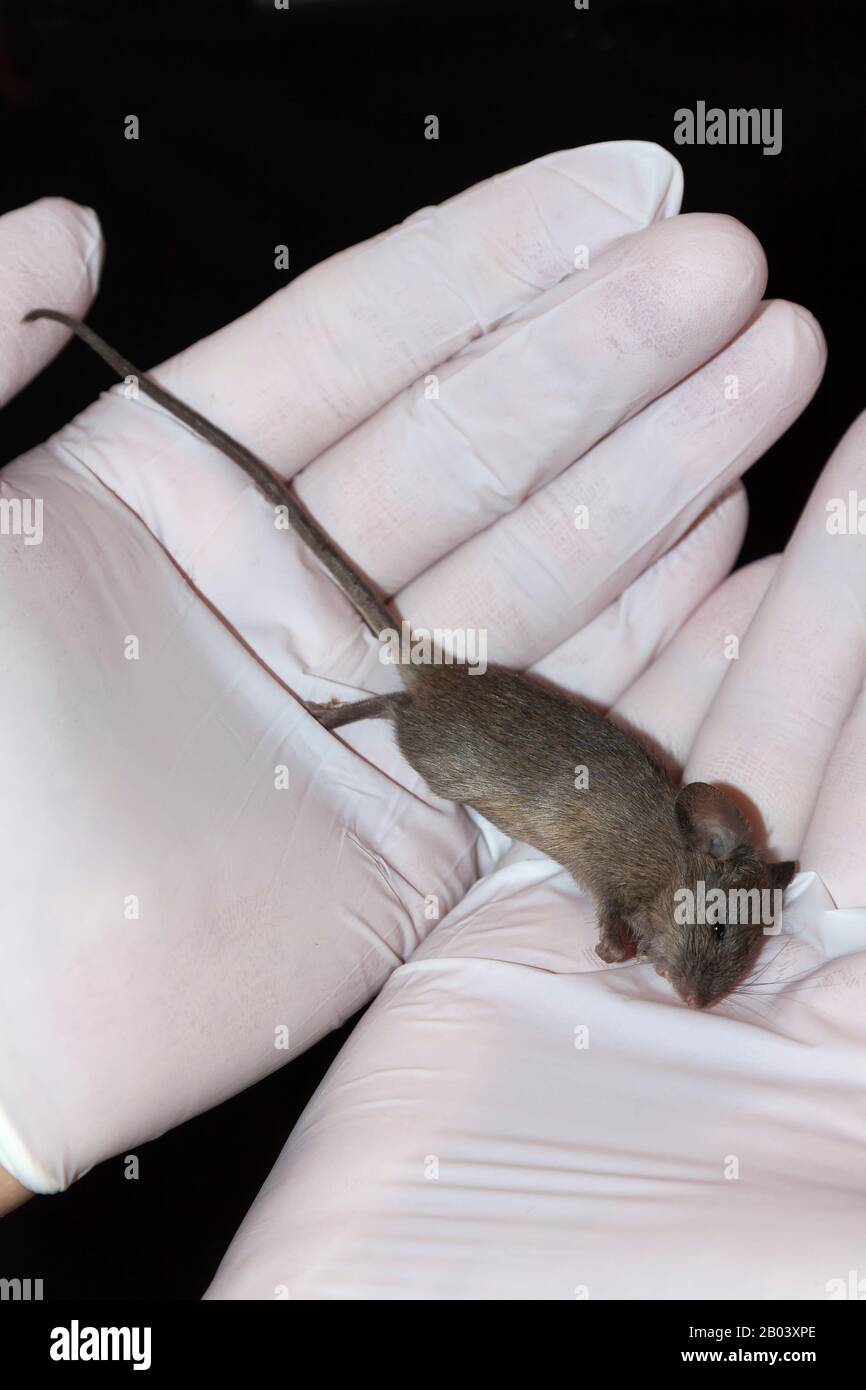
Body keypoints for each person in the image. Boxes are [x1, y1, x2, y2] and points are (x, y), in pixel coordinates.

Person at [3, 143, 855, 1296]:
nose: (688, 968)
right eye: (698, 947)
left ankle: (354, 704)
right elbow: (620, 893)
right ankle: (354, 706)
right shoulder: (646, 873)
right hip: (457, 742)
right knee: (430, 731)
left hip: (481, 727)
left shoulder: (682, 850)